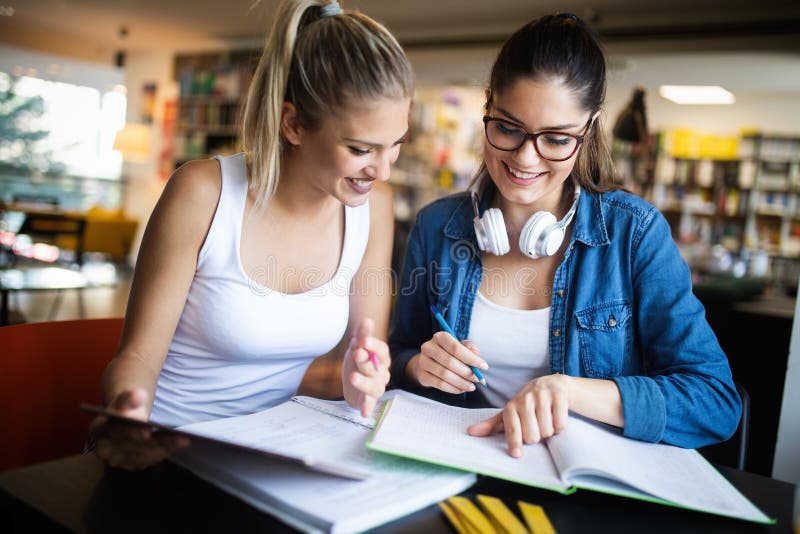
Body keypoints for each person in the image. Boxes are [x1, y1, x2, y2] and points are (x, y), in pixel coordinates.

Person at [389, 13, 741, 458]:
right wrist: (419, 366)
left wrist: (571, 392)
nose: (525, 157)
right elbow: (400, 353)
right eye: (507, 128)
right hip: (458, 461)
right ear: (488, 107)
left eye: (555, 139)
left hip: (580, 482)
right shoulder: (436, 226)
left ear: (588, 129)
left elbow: (715, 402)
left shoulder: (634, 233)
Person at [91, 0, 413, 470]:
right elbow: (136, 355)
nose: (381, 170)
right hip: (166, 452)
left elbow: (360, 361)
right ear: (294, 124)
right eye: (361, 148)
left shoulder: (373, 209)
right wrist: (128, 409)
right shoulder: (203, 193)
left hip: (272, 456)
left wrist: (361, 376)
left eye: (396, 145)